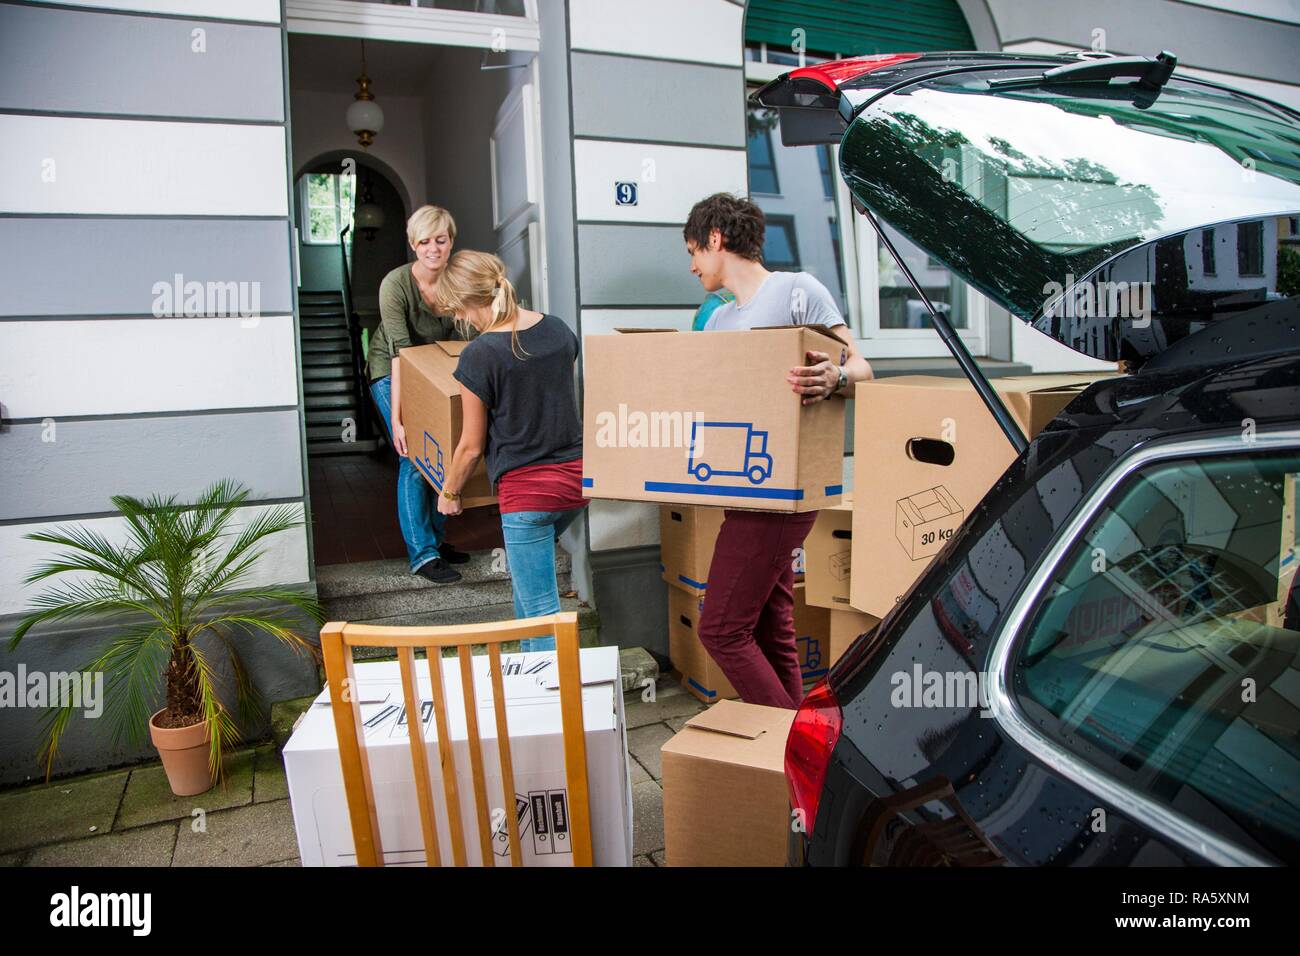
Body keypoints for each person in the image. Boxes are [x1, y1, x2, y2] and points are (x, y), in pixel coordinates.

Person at [685, 193, 874, 708]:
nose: (692, 265)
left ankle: (784, 744)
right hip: (742, 486)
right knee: (772, 626)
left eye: (693, 252)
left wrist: (835, 376)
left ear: (716, 240)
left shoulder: (796, 291)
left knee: (720, 629)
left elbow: (862, 367)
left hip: (786, 489)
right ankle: (795, 758)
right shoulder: (720, 320)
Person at [432, 251, 587, 652]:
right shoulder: (557, 330)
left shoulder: (480, 355)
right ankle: (528, 679)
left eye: (457, 310)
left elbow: (470, 446)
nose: (459, 319)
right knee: (528, 584)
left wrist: (449, 494)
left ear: (467, 303)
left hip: (528, 493)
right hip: (578, 481)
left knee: (540, 611)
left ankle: (549, 702)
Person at [367, 205, 472, 585]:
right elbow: (401, 354)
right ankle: (422, 554)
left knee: (443, 451)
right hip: (392, 369)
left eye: (440, 240)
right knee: (413, 457)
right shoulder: (395, 285)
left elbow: (466, 344)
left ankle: (438, 542)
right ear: (413, 244)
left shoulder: (458, 282)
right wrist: (397, 421)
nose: (433, 249)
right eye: (424, 241)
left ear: (451, 242)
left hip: (439, 370)